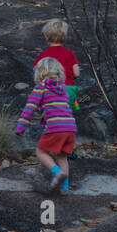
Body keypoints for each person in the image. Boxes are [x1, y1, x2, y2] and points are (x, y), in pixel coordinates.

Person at [15, 57, 77, 193]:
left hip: (56, 127)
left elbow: (29, 109)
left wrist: (20, 128)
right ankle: (65, 188)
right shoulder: (63, 89)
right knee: (62, 156)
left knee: (41, 152)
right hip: (70, 127)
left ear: (40, 73)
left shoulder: (40, 88)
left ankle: (57, 173)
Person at [33, 18, 80, 111]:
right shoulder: (70, 53)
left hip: (49, 90)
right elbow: (76, 74)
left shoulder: (43, 55)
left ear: (46, 37)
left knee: (51, 116)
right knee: (67, 114)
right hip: (69, 90)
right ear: (64, 37)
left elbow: (37, 72)